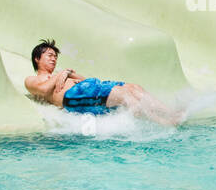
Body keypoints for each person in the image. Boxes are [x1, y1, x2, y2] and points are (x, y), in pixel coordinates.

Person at [23, 39, 184, 125]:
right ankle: (164, 122)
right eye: (49, 55)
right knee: (126, 96)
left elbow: (84, 80)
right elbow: (44, 90)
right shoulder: (32, 79)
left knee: (133, 87)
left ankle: (170, 112)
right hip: (74, 97)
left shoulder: (61, 74)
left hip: (89, 87)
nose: (54, 58)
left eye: (55, 56)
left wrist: (69, 73)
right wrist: (61, 75)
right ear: (37, 59)